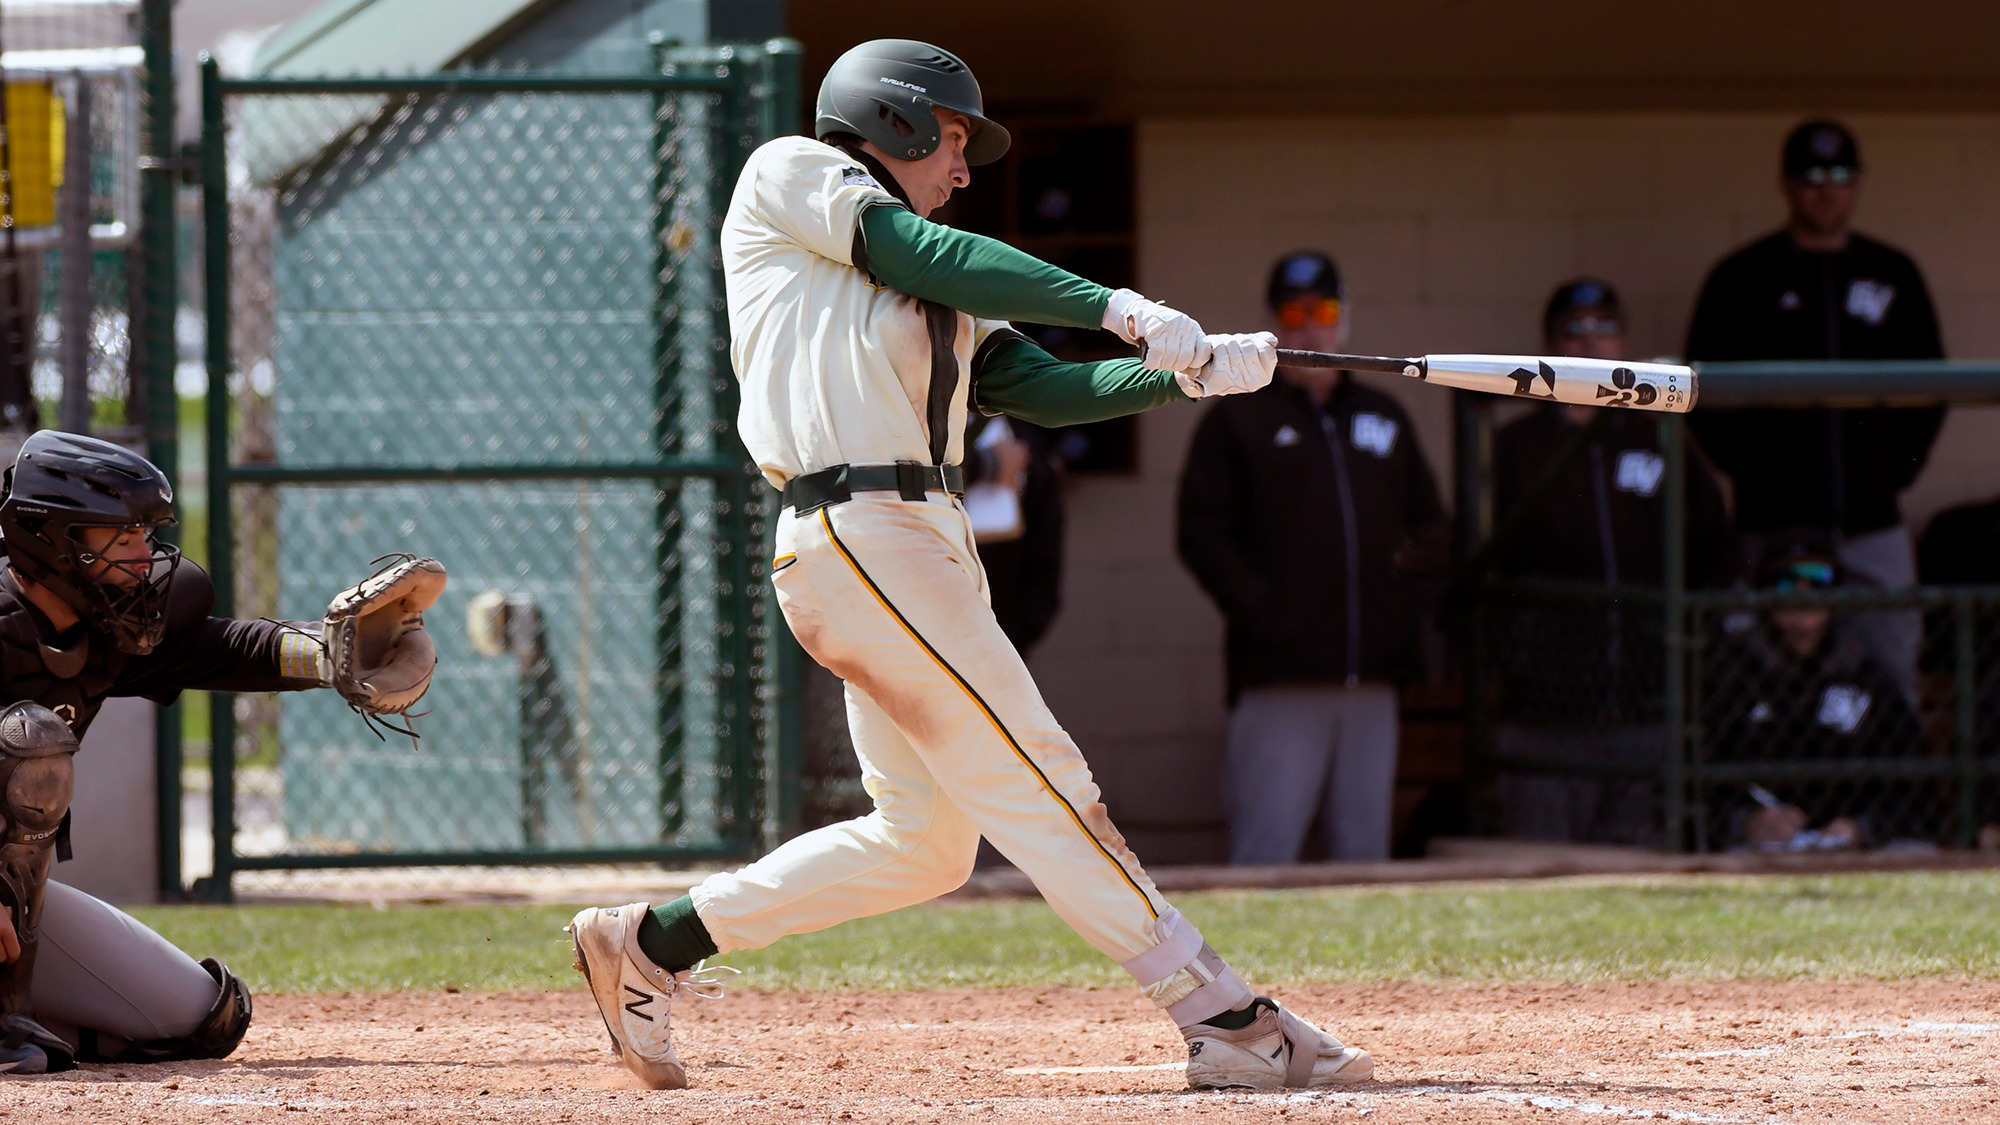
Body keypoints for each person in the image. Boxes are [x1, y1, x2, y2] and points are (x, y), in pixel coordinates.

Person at [564, 40, 1374, 1093]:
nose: (962, 168)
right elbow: (915, 250)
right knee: (1039, 772)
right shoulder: (793, 174)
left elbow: (1036, 387)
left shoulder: (936, 283)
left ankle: (652, 942)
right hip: (859, 528)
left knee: (926, 843)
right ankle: (1221, 1014)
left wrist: (1187, 378)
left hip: (923, 538)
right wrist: (1120, 308)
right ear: (891, 121)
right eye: (951, 139)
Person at [0, 430, 442, 1074]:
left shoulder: (98, 628)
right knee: (29, 743)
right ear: (52, 540)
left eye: (145, 535)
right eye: (122, 538)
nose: (144, 556)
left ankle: (21, 1015)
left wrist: (333, 655)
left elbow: (225, 648)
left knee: (199, 1016)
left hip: (15, 899)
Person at [1176, 251, 1447, 865]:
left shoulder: (1383, 415)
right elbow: (1201, 534)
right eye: (1294, 315)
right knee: (1267, 851)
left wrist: (1403, 614)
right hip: (1280, 678)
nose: (1310, 329)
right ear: (1273, 323)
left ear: (1344, 317)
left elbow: (1432, 529)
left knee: (1365, 856)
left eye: (1323, 312)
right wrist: (1268, 614)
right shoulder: (1238, 417)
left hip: (1373, 677)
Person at [1686, 120, 1946, 704]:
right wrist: (1754, 473)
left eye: (1840, 175)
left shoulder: (1892, 273)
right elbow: (1701, 394)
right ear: (1785, 183)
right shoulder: (1743, 276)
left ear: (1859, 183)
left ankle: (1880, 771)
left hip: (1872, 523)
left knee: (1892, 662)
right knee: (1759, 675)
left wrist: (1893, 472)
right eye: (1811, 175)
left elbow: (1932, 387)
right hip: (1773, 523)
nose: (1826, 189)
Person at [1489, 280, 1734, 844]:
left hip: (1646, 702)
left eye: (1606, 327)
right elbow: (1481, 565)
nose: (1591, 342)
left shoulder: (1659, 437)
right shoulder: (1516, 448)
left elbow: (1714, 548)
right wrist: (1517, 651)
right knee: (1541, 867)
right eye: (1574, 329)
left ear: (1624, 341)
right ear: (1549, 344)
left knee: (1642, 868)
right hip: (1546, 709)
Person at [1701, 532, 1930, 850]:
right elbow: (1696, 785)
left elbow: (1919, 789)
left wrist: (1863, 828)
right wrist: (1747, 822)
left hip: (1856, 847)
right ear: (1763, 593)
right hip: (1764, 846)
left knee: (1913, 851)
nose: (1803, 591)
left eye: (1818, 578)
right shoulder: (1733, 675)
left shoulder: (1865, 670)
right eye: (1786, 580)